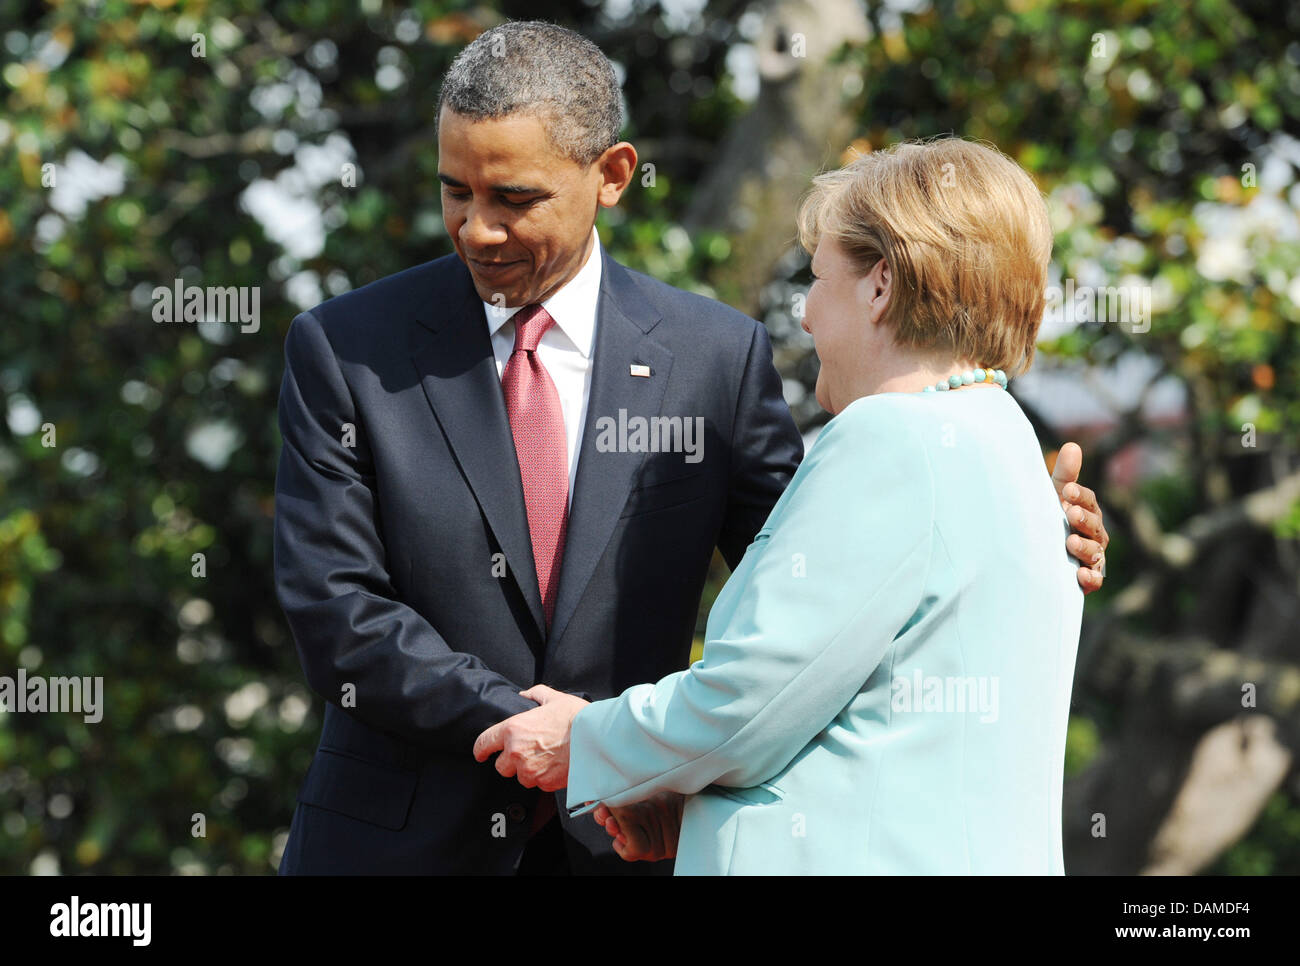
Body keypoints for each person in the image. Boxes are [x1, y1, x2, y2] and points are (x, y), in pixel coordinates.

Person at [277, 21, 1106, 875]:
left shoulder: (717, 355)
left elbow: (822, 576)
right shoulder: (347, 347)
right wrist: (568, 739)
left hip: (626, 849)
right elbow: (337, 610)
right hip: (395, 846)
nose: (477, 229)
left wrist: (1003, 526)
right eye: (457, 192)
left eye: (515, 199)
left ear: (612, 175)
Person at [477, 137, 1093, 874]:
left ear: (881, 287)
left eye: (820, 278)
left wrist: (586, 741)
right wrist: (688, 801)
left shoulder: (889, 438)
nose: (804, 317)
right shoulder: (1008, 444)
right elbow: (871, 719)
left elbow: (750, 701)